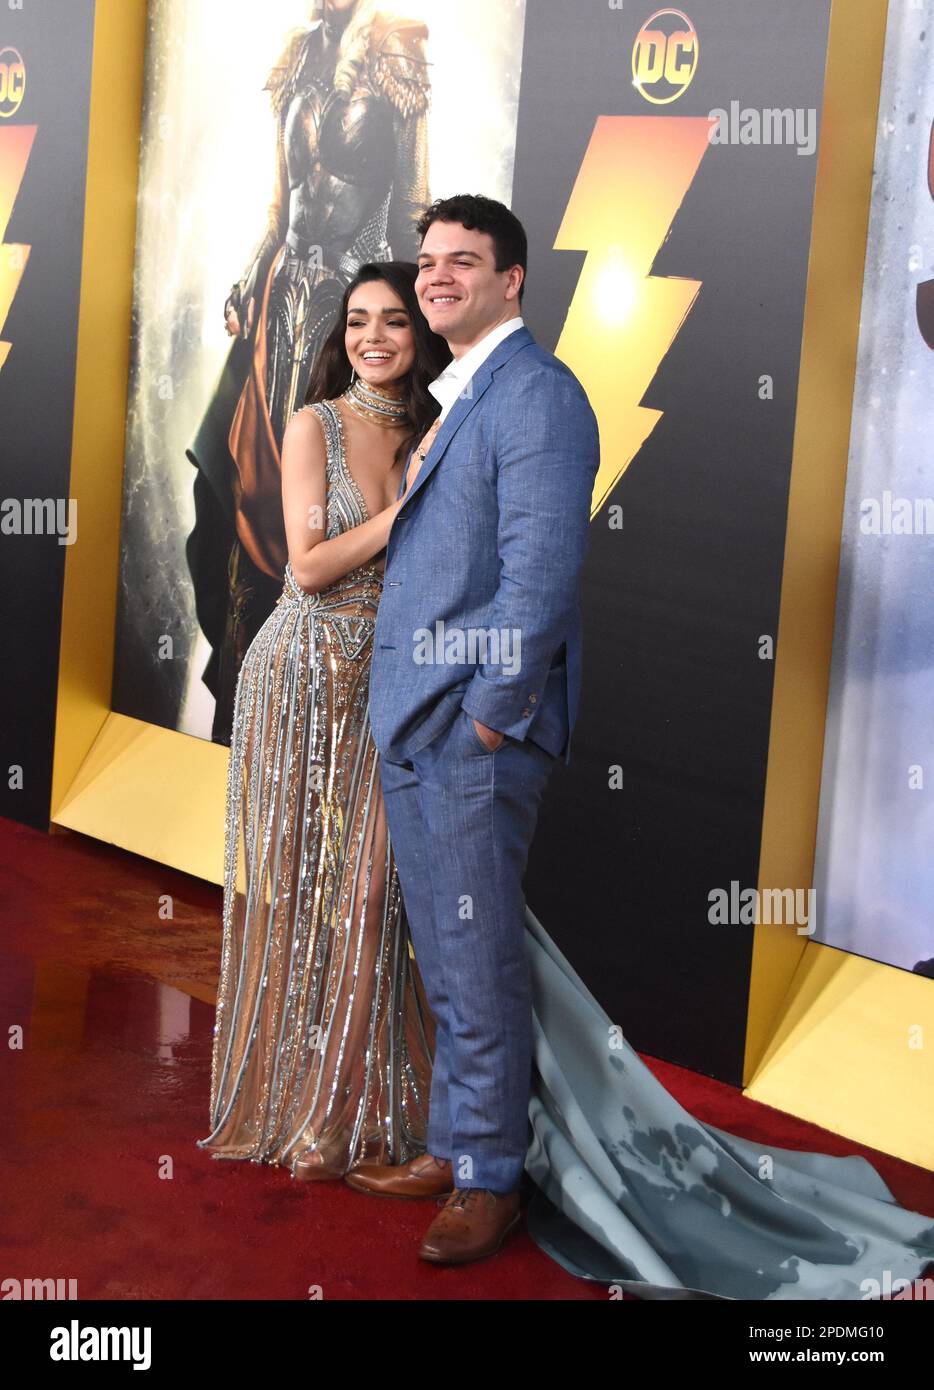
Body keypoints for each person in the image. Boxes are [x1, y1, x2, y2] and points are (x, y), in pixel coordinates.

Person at [343, 194, 934, 1297]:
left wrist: (486, 716)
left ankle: (489, 1174)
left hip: (472, 731)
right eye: (427, 262)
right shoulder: (458, 393)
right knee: (448, 953)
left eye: (460, 262)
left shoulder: (540, 396)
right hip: (413, 722)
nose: (435, 279)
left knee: (474, 955)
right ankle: (455, 1140)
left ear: (513, 279)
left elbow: (538, 580)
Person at [197, 261, 450, 1179]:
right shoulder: (315, 425)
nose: (373, 338)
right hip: (301, 674)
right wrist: (411, 503)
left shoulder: (439, 430)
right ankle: (296, 1102)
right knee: (297, 891)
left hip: (392, 683)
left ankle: (344, 1108)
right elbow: (305, 566)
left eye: (393, 322)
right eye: (356, 322)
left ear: (423, 336)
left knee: (370, 899)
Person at [186, 0, 432, 746]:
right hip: (275, 311)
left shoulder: (398, 55)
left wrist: (414, 328)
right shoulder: (300, 55)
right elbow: (279, 200)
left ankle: (324, 736)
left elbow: (412, 209)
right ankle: (244, 714)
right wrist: (248, 275)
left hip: (345, 327)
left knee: (335, 519)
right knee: (238, 506)